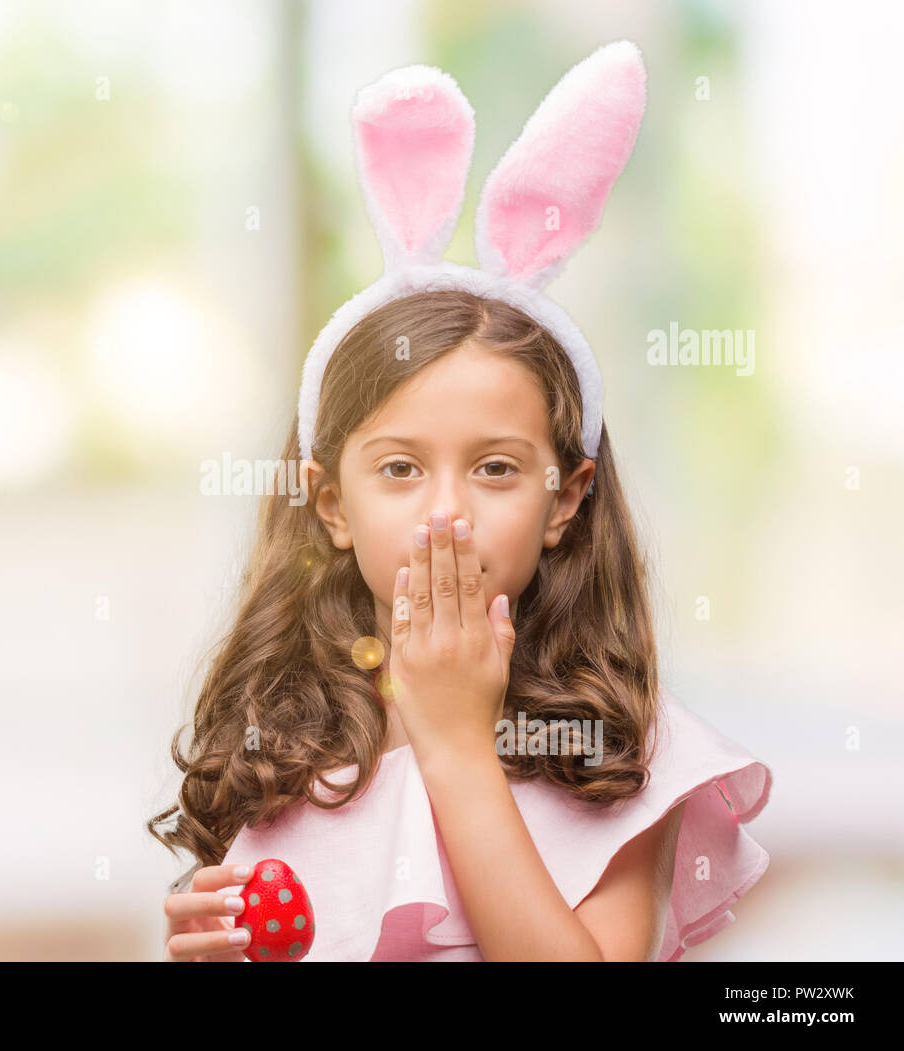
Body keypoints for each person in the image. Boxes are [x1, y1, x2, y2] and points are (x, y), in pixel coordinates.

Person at [149, 42, 771, 962]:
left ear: (568, 498)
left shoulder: (625, 746)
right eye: (400, 469)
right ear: (329, 504)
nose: (448, 513)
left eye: (496, 469)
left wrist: (454, 742)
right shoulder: (278, 745)